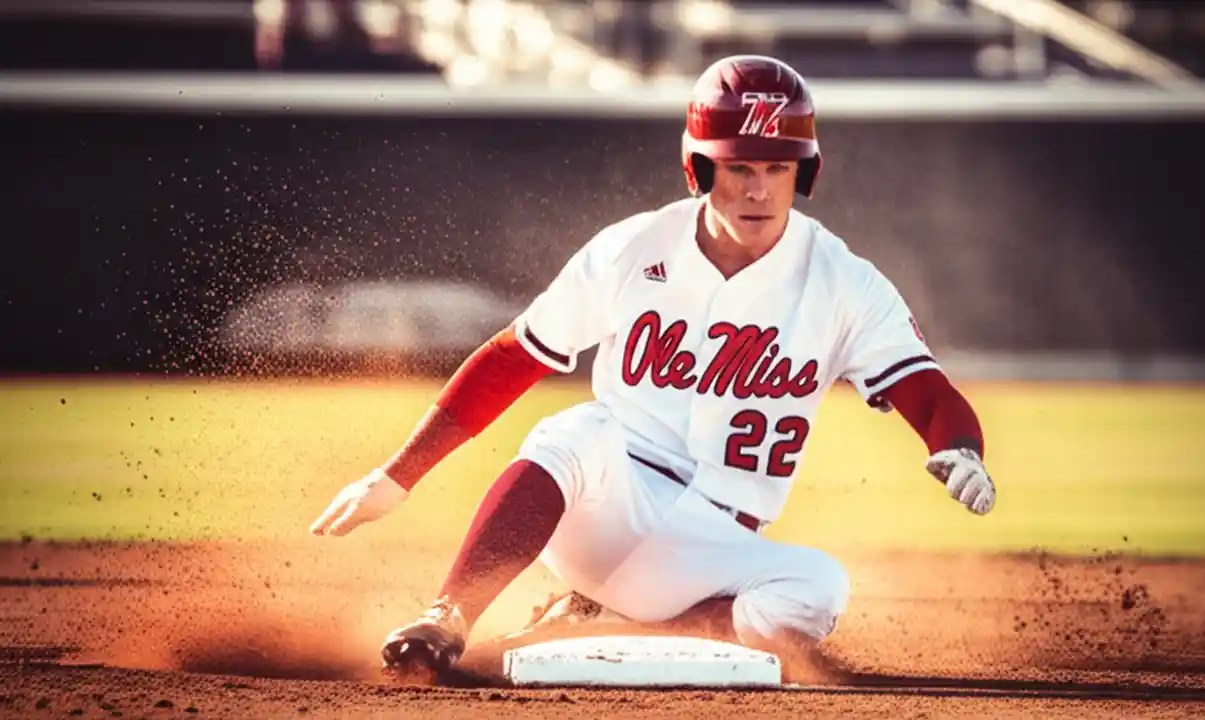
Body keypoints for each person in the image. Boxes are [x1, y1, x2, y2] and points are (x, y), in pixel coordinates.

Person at [310, 54, 996, 679]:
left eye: (777, 168)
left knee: (816, 591)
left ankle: (608, 623)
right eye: (739, 167)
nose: (759, 190)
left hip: (712, 551)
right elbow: (514, 357)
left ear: (803, 172)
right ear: (699, 167)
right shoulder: (634, 248)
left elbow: (926, 392)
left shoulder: (844, 281)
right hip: (604, 502)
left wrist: (960, 447)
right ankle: (447, 617)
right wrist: (397, 475)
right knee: (576, 431)